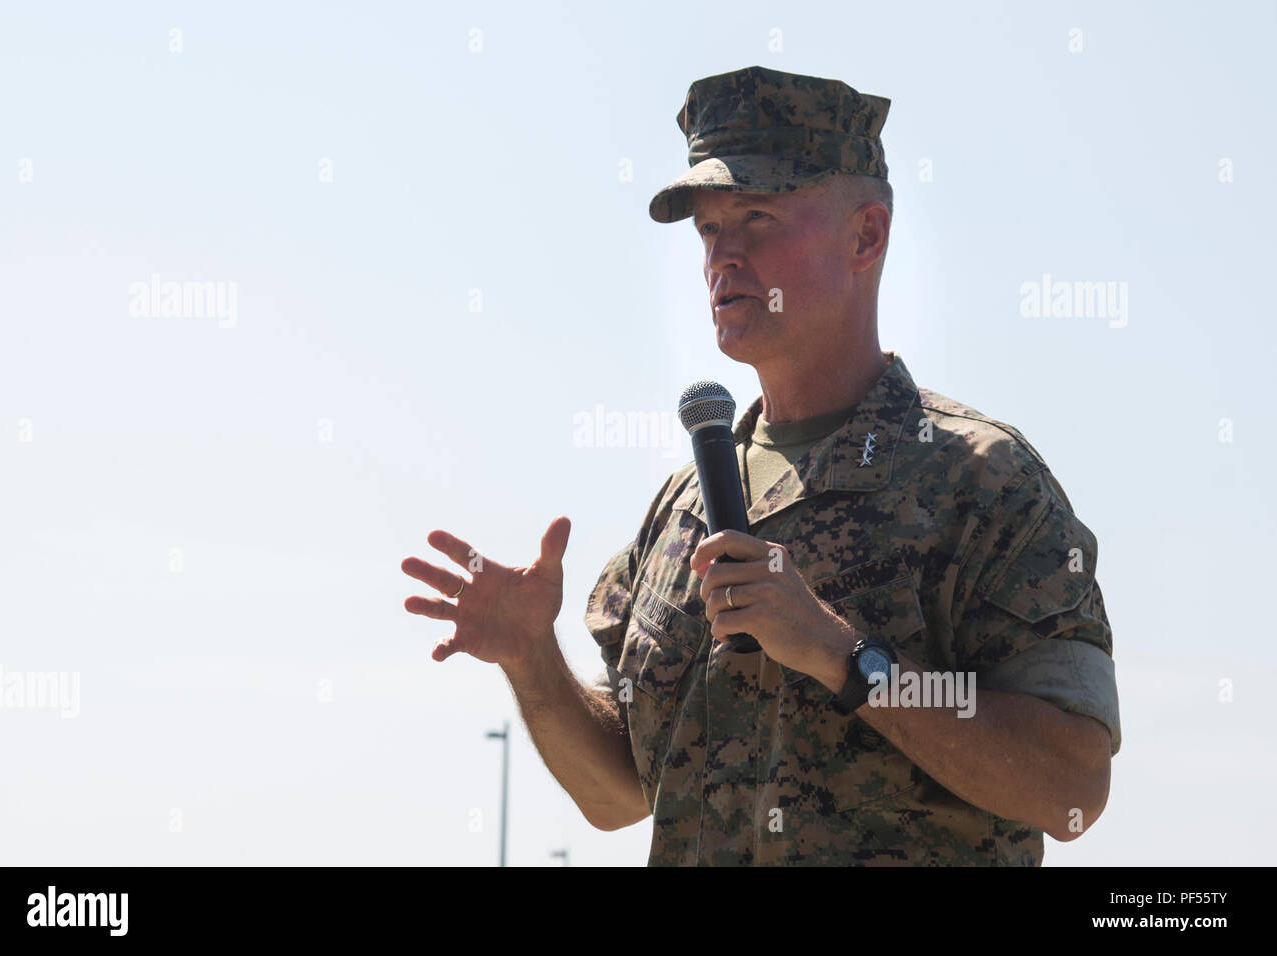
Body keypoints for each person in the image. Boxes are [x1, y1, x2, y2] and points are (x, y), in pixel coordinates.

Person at [403, 65, 1120, 866]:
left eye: (758, 217)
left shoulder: (982, 480)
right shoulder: (682, 510)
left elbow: (1073, 786)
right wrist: (532, 663)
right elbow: (617, 797)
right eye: (709, 229)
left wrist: (844, 657)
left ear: (866, 237)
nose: (724, 257)